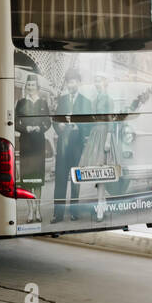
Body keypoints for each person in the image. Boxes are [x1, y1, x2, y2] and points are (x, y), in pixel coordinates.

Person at [51, 68, 92, 223]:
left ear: (78, 83)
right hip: (62, 147)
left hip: (77, 148)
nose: (70, 84)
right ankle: (58, 214)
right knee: (60, 180)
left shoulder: (85, 102)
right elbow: (54, 120)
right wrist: (59, 127)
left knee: (76, 181)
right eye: (68, 82)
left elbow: (89, 124)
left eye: (73, 81)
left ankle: (74, 212)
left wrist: (79, 127)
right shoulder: (61, 101)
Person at [14, 74, 49, 223]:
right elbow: (15, 122)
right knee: (28, 180)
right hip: (26, 145)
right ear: (26, 86)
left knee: (38, 180)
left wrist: (39, 127)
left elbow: (48, 122)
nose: (30, 87)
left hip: (39, 145)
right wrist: (26, 127)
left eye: (33, 85)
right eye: (28, 85)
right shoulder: (21, 103)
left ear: (37, 87)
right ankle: (30, 212)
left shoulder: (43, 103)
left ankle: (38, 210)